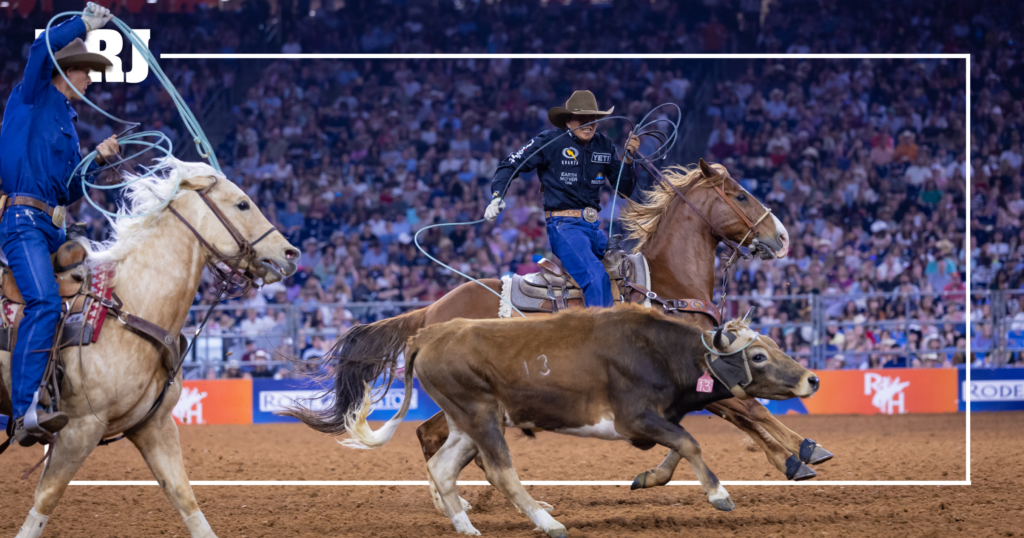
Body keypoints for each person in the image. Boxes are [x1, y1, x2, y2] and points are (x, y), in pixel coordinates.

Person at [0, 3, 120, 447]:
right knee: (46, 303)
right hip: (22, 220)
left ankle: (63, 389)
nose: (90, 78)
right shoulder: (31, 96)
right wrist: (85, 24)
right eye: (85, 70)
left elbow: (70, 188)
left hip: (51, 225)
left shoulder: (70, 125)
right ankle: (26, 409)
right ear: (65, 71)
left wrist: (98, 161)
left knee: (90, 292)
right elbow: (38, 48)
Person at [484, 90, 640, 307]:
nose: (588, 123)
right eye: (581, 118)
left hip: (595, 228)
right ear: (568, 120)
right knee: (595, 276)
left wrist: (629, 160)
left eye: (592, 118)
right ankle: (603, 337)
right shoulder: (550, 141)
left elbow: (624, 190)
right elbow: (511, 163)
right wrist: (497, 196)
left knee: (629, 271)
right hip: (564, 227)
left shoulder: (604, 145)